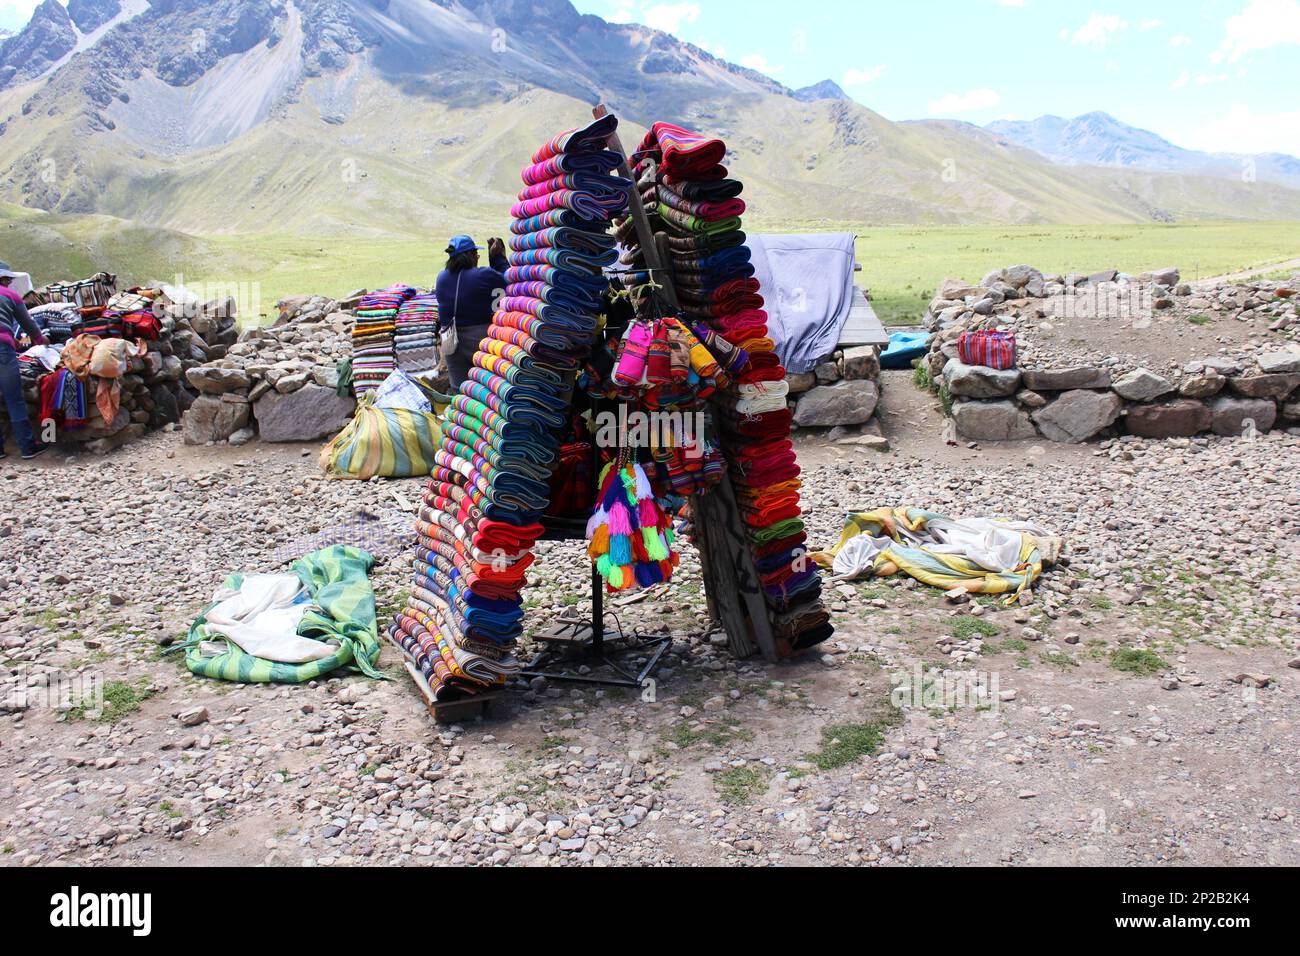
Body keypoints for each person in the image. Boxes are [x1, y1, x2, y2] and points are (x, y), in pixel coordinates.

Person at [435, 234, 507, 389]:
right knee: (488, 388)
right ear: (468, 256)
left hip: (450, 342)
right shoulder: (482, 275)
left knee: (459, 390)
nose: (477, 258)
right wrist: (497, 258)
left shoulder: (441, 277)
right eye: (475, 254)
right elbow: (509, 280)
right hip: (478, 340)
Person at [0, 264, 48, 461]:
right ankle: (28, 447)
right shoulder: (10, 296)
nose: (11, 282)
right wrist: (41, 340)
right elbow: (28, 323)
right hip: (3, 350)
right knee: (14, 398)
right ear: (3, 279)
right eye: (8, 279)